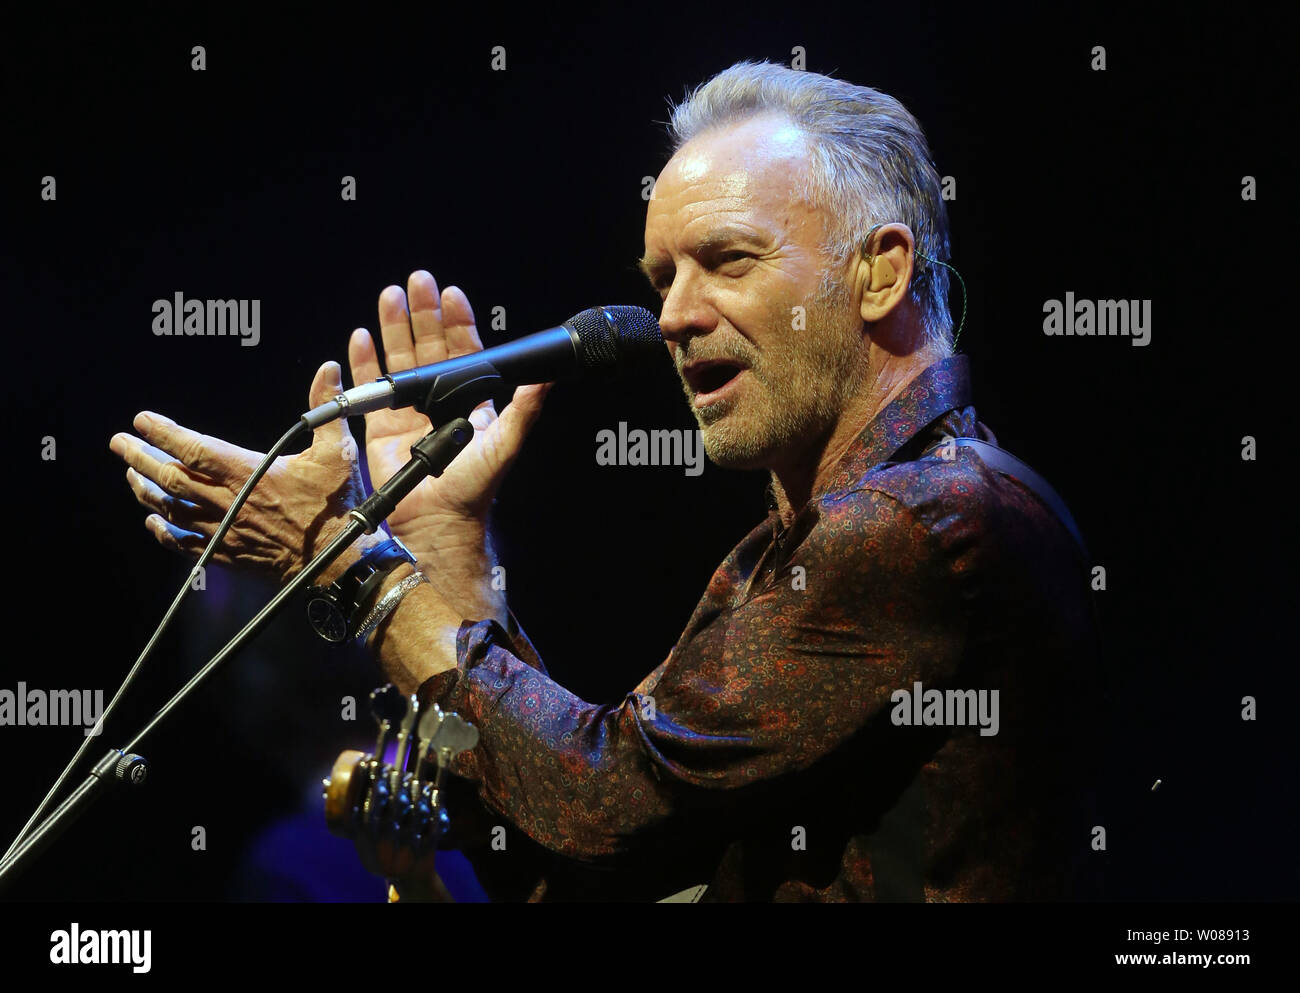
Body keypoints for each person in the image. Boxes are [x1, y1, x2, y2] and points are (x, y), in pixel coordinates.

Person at [109, 60, 1099, 901]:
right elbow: (580, 849)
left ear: (877, 273)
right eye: (660, 276)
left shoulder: (920, 522)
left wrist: (356, 563)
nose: (673, 314)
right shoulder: (789, 546)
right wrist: (443, 541)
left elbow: (604, 805)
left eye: (725, 260)